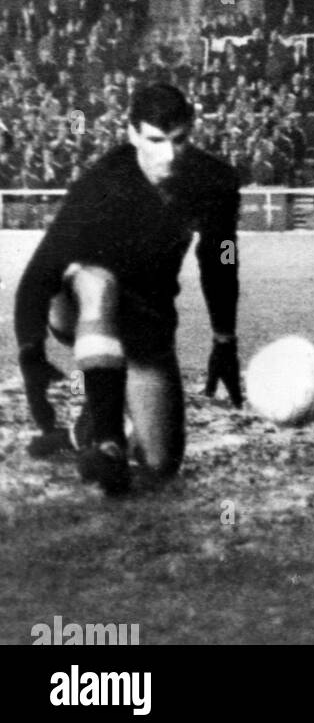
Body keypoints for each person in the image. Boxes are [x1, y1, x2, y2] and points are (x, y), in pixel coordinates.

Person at [14, 83, 243, 496]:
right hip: (75, 306)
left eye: (180, 141)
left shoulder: (215, 182)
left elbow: (221, 258)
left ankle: (82, 431)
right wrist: (31, 354)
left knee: (161, 463)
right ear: (133, 133)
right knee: (96, 279)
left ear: (191, 130)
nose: (169, 155)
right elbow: (39, 272)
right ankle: (108, 442)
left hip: (145, 324)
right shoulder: (99, 184)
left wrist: (224, 338)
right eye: (156, 140)